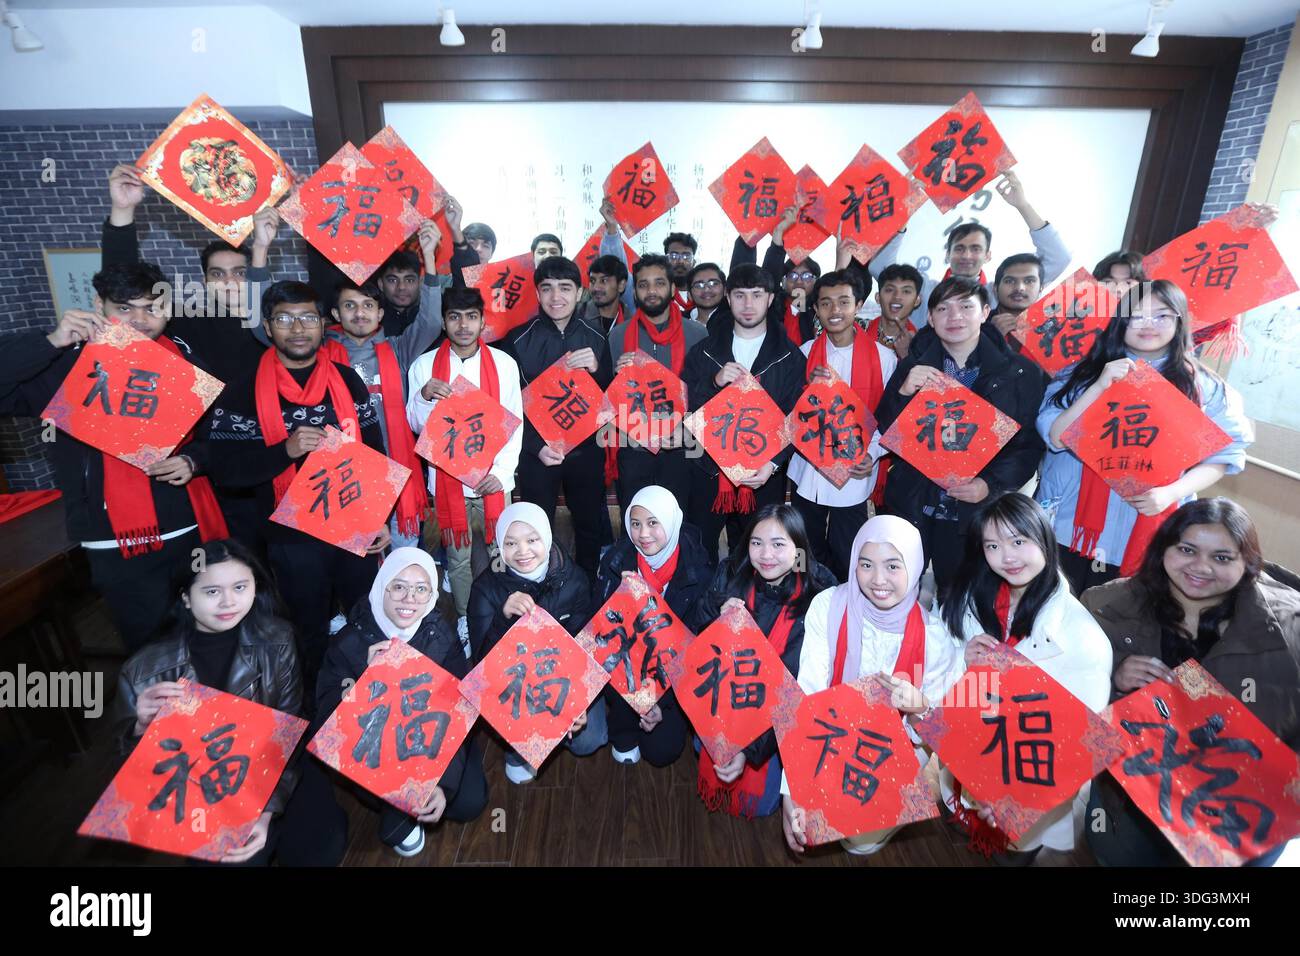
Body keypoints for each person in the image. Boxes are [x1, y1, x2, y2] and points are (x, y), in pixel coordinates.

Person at [0, 265, 229, 650]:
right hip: (115, 542)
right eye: (125, 308)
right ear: (98, 306)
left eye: (151, 308)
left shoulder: (184, 358)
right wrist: (49, 341)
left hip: (188, 529)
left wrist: (195, 460)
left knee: (212, 637)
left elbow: (218, 435)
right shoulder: (66, 363)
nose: (140, 320)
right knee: (154, 650)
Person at [1083, 498, 1300, 867]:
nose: (1200, 568)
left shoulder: (1289, 627)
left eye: (1221, 557)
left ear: (1247, 561)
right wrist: (1114, 677)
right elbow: (1072, 699)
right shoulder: (1106, 605)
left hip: (1237, 812)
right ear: (1163, 548)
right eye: (1186, 550)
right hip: (1133, 798)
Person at [202, 280, 390, 693]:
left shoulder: (347, 380)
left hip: (352, 525)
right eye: (285, 319)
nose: (298, 328)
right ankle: (318, 708)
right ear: (268, 327)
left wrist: (380, 516)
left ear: (324, 325)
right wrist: (283, 451)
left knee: (368, 616)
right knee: (308, 628)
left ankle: (372, 697)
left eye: (308, 318)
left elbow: (375, 451)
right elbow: (226, 471)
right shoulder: (242, 391)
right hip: (290, 537)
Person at [114, 538, 343, 866]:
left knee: (319, 851)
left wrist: (265, 810)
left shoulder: (277, 639)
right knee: (235, 857)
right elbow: (131, 773)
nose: (228, 602)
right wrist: (138, 728)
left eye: (239, 587)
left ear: (255, 588)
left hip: (276, 762)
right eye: (211, 591)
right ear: (186, 598)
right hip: (205, 779)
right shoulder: (144, 669)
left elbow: (288, 729)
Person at [1037, 279, 1254, 594]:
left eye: (1162, 315)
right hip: (1069, 521)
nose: (1148, 324)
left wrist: (1171, 493)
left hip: (1151, 518)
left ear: (1179, 321)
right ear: (1119, 322)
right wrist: (1099, 386)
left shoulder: (1205, 387)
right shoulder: (1079, 374)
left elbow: (1224, 456)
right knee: (1055, 607)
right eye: (1136, 316)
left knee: (1124, 614)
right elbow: (1056, 437)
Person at [939, 493, 1112, 861]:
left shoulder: (1083, 638)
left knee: (1011, 853)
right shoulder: (974, 596)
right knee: (955, 829)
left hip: (1027, 777)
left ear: (1045, 540)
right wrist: (962, 658)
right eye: (993, 545)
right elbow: (940, 658)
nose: (1008, 557)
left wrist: (1017, 800)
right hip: (972, 750)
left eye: (1019, 541)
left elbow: (1081, 740)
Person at [781, 515, 963, 855]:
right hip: (830, 732)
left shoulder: (935, 638)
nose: (878, 580)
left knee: (861, 841)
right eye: (866, 564)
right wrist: (792, 788)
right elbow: (807, 695)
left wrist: (920, 706)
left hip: (901, 740)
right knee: (815, 818)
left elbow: (947, 729)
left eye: (893, 566)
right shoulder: (829, 606)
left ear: (915, 566)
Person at [875, 276, 1046, 600]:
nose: (954, 317)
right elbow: (886, 429)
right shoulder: (915, 364)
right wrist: (903, 392)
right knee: (899, 589)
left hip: (973, 511)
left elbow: (1027, 447)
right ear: (930, 318)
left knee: (961, 599)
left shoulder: (1019, 373)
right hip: (915, 501)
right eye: (943, 308)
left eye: (965, 307)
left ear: (984, 312)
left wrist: (989, 484)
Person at [314, 548, 488, 857]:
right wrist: (366, 684)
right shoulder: (349, 642)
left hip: (430, 742)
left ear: (432, 595)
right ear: (381, 587)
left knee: (469, 802)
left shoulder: (439, 634)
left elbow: (459, 709)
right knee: (401, 811)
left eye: (421, 589)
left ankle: (413, 802)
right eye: (399, 586)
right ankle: (396, 809)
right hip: (377, 752)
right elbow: (327, 723)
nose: (409, 599)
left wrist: (442, 783)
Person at [689, 503, 837, 818]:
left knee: (762, 805)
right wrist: (718, 616)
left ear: (798, 549)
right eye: (757, 543)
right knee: (706, 749)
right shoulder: (733, 571)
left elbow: (792, 692)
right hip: (728, 693)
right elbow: (696, 636)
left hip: (775, 714)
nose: (765, 554)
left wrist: (747, 748)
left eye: (778, 544)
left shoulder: (819, 595)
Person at [316, 222, 447, 549]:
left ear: (380, 313)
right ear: (336, 312)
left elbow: (431, 321)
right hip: (344, 472)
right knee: (358, 564)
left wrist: (429, 257)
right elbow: (267, 334)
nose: (360, 313)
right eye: (350, 306)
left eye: (367, 306)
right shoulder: (320, 353)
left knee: (403, 556)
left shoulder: (398, 349)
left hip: (396, 469)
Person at [406, 286, 523, 648]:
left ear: (483, 321)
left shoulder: (504, 364)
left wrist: (501, 474)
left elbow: (514, 422)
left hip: (491, 480)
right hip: (447, 481)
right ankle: (466, 619)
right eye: (454, 317)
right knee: (457, 560)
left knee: (498, 555)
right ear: (443, 321)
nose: (463, 325)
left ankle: (499, 616)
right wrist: (425, 397)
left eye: (471, 317)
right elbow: (415, 424)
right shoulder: (424, 366)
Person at [467, 503, 608, 783]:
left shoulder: (574, 579)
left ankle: (552, 732)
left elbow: (586, 648)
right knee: (509, 723)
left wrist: (575, 701)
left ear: (547, 537)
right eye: (511, 542)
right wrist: (503, 618)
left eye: (532, 540)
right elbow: (482, 668)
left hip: (559, 674)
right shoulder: (486, 588)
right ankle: (517, 748)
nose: (522, 551)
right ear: (499, 545)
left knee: (589, 739)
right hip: (514, 679)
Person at [101, 163, 278, 386]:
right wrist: (122, 209)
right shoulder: (185, 321)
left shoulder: (279, 324)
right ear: (205, 282)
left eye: (240, 272)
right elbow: (122, 285)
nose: (229, 281)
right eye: (218, 274)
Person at [500, 256, 614, 581]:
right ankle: (541, 587)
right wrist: (535, 447)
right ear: (537, 294)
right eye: (547, 289)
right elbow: (510, 405)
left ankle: (587, 587)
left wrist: (599, 370)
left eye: (565, 288)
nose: (556, 297)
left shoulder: (598, 335)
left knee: (589, 525)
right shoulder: (517, 339)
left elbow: (612, 399)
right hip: (538, 454)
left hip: (586, 451)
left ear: (580, 293)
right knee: (537, 527)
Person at [682, 263, 805, 558]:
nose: (748, 305)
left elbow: (796, 417)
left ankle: (750, 604)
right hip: (709, 470)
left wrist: (773, 464)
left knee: (757, 555)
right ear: (727, 297)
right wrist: (714, 382)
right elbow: (685, 407)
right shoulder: (704, 351)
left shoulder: (790, 357)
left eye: (757, 295)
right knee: (702, 549)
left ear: (771, 299)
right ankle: (708, 605)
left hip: (763, 474)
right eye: (739, 295)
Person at [592, 485, 715, 766]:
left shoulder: (699, 570)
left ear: (671, 522)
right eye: (635, 524)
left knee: (662, 752)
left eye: (653, 523)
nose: (643, 534)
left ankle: (665, 715)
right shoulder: (616, 562)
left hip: (673, 678)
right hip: (626, 672)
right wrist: (620, 600)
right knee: (624, 734)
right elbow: (598, 634)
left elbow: (697, 652)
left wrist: (664, 702)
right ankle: (623, 726)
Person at [790, 269, 896, 580]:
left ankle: (845, 600)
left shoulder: (884, 358)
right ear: (816, 309)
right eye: (825, 303)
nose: (834, 311)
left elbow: (890, 418)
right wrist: (805, 390)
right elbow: (789, 412)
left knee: (848, 547)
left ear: (859, 305)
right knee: (803, 547)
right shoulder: (805, 354)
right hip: (807, 471)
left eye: (843, 302)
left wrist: (873, 455)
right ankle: (805, 598)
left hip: (854, 472)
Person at [869, 170, 1070, 328]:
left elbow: (1058, 259)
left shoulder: (999, 293)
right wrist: (904, 213)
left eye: (975, 249)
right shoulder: (925, 290)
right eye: (959, 249)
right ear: (947, 254)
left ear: (988, 255)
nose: (966, 255)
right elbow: (880, 266)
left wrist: (1022, 205)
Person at [607, 254, 709, 510]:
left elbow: (706, 392)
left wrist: (688, 432)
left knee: (680, 523)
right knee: (635, 521)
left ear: (673, 288)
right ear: (635, 291)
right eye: (643, 285)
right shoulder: (619, 336)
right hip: (634, 446)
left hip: (683, 446)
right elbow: (608, 400)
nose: (651, 291)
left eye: (659, 283)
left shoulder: (697, 333)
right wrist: (617, 378)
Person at [374, 194, 476, 334]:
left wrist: (456, 230)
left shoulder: (437, 311)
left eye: (409, 280)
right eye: (392, 280)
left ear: (420, 282)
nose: (402, 287)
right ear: (380, 284)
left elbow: (468, 285)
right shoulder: (368, 318)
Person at [730, 204, 820, 346]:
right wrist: (778, 233)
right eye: (793, 276)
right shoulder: (770, 306)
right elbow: (770, 273)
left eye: (807, 276)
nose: (799, 282)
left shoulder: (820, 310)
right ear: (782, 282)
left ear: (817, 281)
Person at [663, 232, 699, 313]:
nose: (680, 261)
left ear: (694, 262)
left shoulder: (704, 295)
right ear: (665, 261)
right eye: (674, 256)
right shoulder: (659, 296)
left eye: (686, 256)